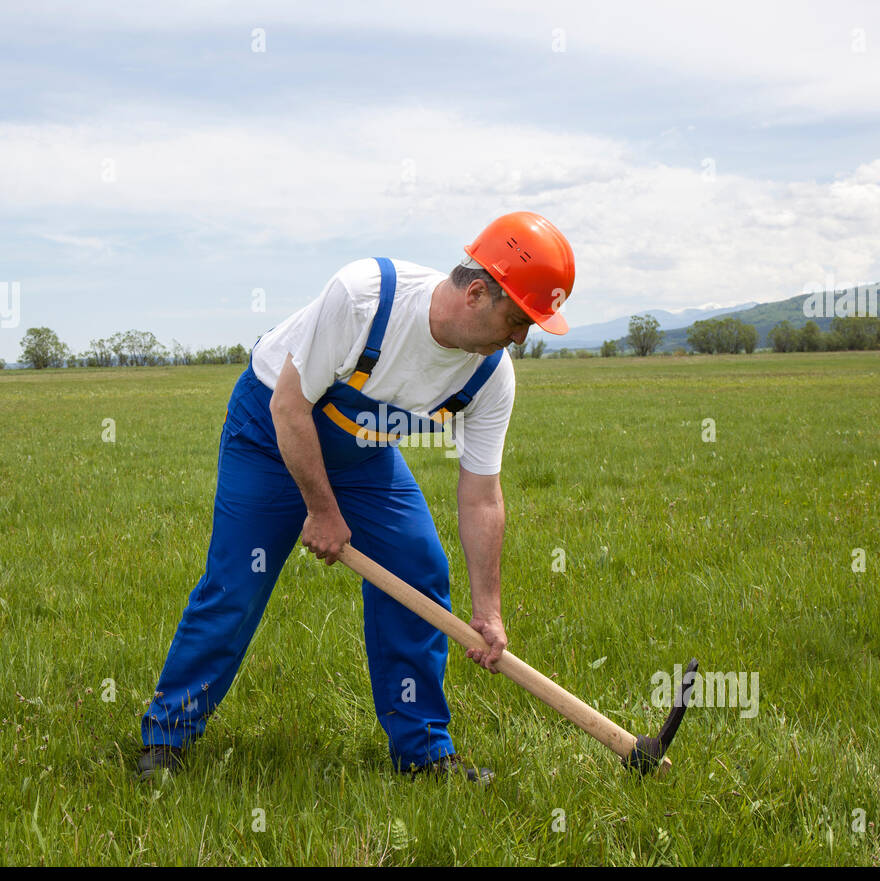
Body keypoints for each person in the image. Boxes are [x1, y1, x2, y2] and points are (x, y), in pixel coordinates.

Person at [138, 211, 575, 783]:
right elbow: (288, 407)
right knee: (238, 582)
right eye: (518, 320)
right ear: (476, 293)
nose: (520, 338)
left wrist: (487, 610)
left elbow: (481, 497)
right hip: (270, 434)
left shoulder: (491, 377)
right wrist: (322, 512)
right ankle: (167, 739)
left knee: (418, 570)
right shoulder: (366, 298)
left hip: (363, 453)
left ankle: (423, 753)